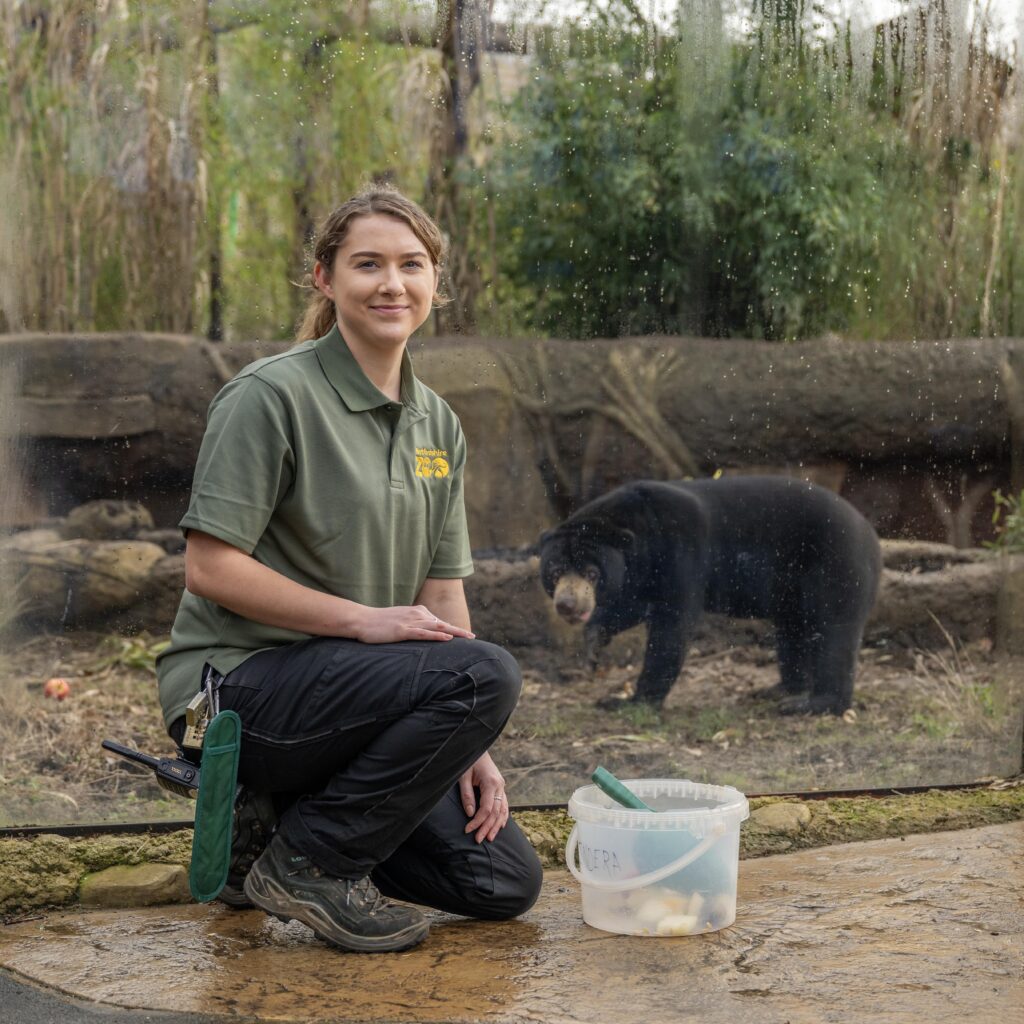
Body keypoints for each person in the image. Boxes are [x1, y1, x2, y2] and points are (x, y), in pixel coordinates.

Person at [155, 185, 542, 953]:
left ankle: (264, 839)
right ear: (325, 280)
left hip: (345, 705)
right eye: (367, 264)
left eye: (411, 265)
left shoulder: (439, 423)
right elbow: (209, 568)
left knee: (499, 883)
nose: (391, 283)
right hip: (221, 702)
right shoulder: (269, 396)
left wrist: (472, 746)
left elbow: (441, 597)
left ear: (436, 282)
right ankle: (308, 865)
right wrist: (369, 623)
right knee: (484, 671)